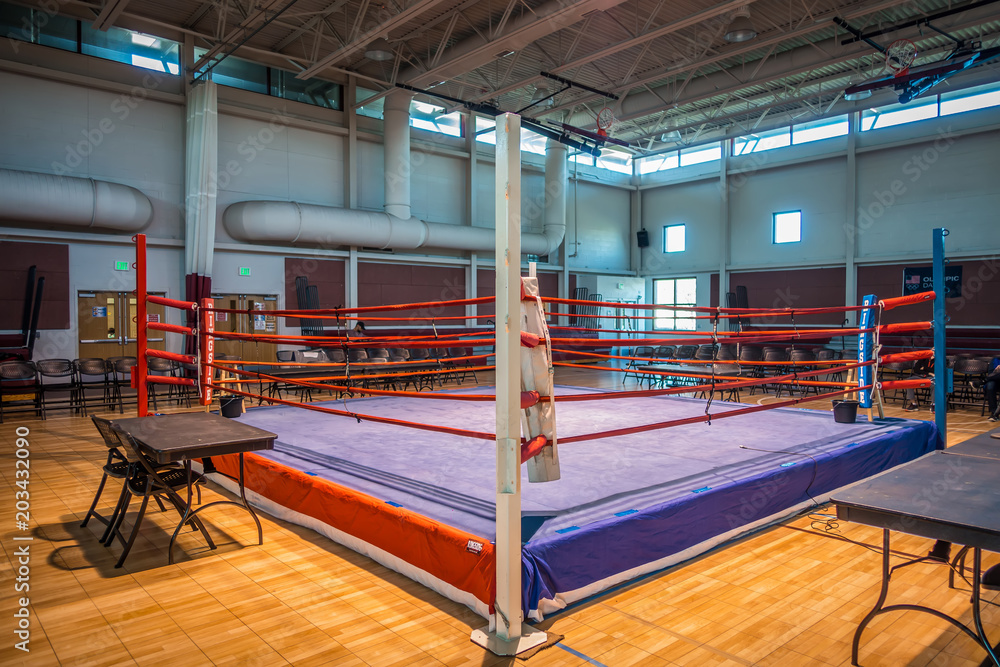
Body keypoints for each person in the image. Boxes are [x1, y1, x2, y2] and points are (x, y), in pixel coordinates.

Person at [986, 357, 999, 422]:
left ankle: (983, 381)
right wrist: (997, 370)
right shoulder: (995, 360)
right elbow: (991, 374)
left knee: (989, 381)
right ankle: (993, 412)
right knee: (990, 385)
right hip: (996, 381)